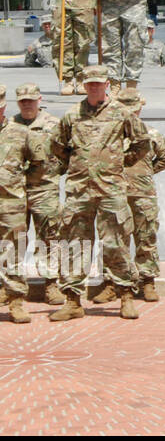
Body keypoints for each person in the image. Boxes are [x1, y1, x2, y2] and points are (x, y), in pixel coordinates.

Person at [49, 65, 150, 322]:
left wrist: (119, 162)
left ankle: (125, 295)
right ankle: (72, 300)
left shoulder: (121, 113)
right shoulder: (72, 115)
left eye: (98, 83)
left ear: (107, 84)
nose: (94, 87)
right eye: (89, 83)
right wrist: (75, 164)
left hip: (111, 190)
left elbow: (141, 142)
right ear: (84, 85)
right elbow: (57, 145)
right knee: (75, 245)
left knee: (116, 244)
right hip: (79, 191)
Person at [113, 89, 165, 304]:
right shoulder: (111, 136)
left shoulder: (150, 134)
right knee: (115, 240)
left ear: (139, 109)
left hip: (143, 194)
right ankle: (113, 284)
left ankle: (147, 281)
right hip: (116, 194)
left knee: (146, 238)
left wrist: (148, 171)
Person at [12, 83, 64, 305]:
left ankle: (51, 284)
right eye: (23, 101)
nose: (27, 105)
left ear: (39, 100)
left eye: (31, 100)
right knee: (12, 240)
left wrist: (54, 173)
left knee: (50, 238)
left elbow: (67, 152)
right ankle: (11, 286)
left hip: (44, 190)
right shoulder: (9, 125)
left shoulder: (54, 125)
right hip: (14, 193)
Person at [0, 86, 43, 324]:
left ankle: (16, 301)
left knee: (12, 251)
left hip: (11, 204)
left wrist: (19, 185)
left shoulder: (20, 132)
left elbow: (38, 162)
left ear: (4, 106)